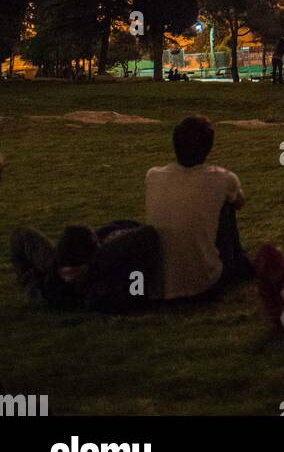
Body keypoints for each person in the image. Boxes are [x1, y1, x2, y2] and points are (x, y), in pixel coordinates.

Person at [145, 115, 252, 302]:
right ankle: (237, 263)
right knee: (227, 206)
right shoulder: (223, 178)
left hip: (160, 284)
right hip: (204, 283)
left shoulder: (153, 175)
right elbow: (240, 203)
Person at [10, 221, 161, 312]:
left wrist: (57, 268)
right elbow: (147, 235)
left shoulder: (47, 289)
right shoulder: (108, 291)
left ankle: (59, 265)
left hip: (58, 276)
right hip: (110, 253)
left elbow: (20, 236)